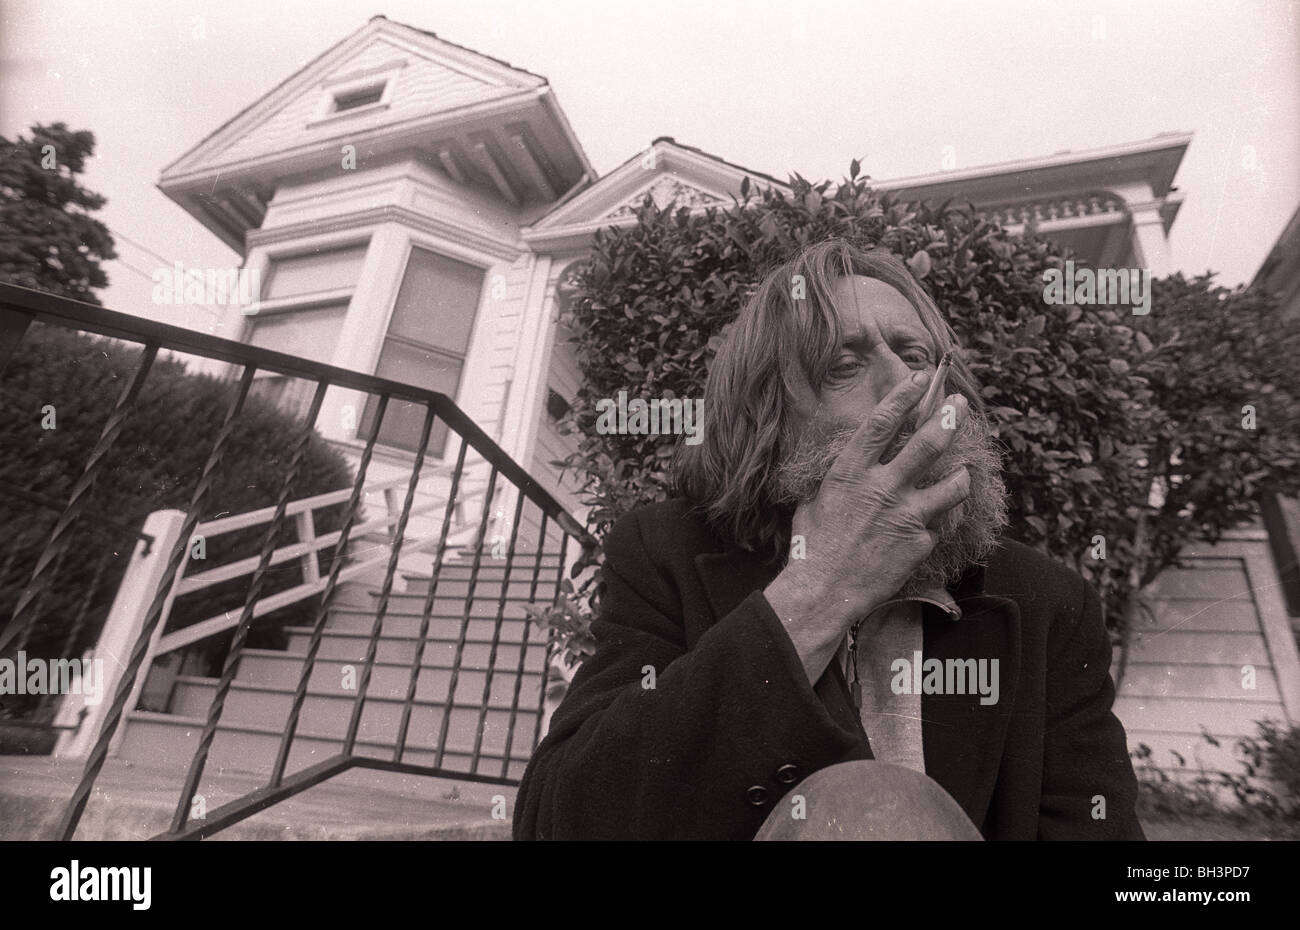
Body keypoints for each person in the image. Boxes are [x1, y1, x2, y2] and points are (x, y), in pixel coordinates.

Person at [513, 239, 1144, 841]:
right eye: (845, 364)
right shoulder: (664, 553)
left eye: (918, 358)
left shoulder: (1047, 604)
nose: (906, 385)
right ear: (769, 417)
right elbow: (562, 820)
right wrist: (818, 591)